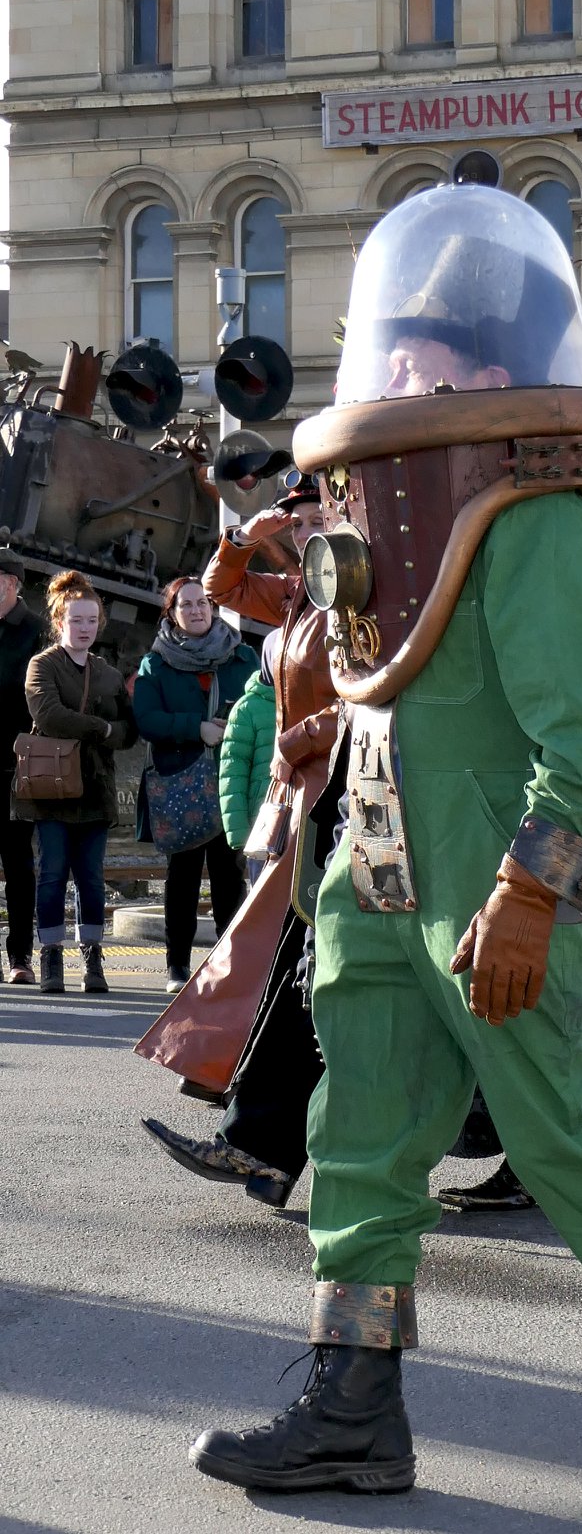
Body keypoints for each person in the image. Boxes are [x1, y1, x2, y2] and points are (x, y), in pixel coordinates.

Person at [189, 184, 582, 1498]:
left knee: (551, 1132)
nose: (393, 376)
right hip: (381, 867)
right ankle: (353, 1402)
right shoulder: (397, 518)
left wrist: (532, 892)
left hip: (489, 882)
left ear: (484, 373)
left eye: (419, 355)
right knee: (359, 1126)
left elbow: (581, 745)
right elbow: (382, 687)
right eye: (389, 348)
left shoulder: (540, 512)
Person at [137, 477, 338, 1206]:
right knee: (287, 964)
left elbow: (380, 694)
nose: (309, 530)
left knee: (291, 963)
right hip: (304, 797)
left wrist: (301, 738)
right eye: (300, 520)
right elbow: (220, 587)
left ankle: (255, 1129)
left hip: (341, 795)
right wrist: (246, 534)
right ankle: (258, 1136)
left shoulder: (359, 590)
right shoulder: (299, 592)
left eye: (320, 515)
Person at [133, 576, 256, 992]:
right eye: (186, 604)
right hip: (180, 784)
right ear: (171, 614)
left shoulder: (242, 656)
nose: (197, 610)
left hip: (230, 780)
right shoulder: (156, 663)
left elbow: (264, 706)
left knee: (229, 877)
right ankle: (177, 967)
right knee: (181, 877)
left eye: (203, 602)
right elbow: (146, 719)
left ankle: (230, 964)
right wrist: (196, 728)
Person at [18, 570, 137, 994]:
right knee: (51, 873)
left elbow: (129, 730)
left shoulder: (108, 673)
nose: (84, 628)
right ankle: (51, 955)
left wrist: (106, 731)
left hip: (96, 789)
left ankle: (92, 956)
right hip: (52, 788)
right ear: (59, 622)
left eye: (91, 620)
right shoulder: (42, 665)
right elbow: (49, 715)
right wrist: (102, 729)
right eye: (75, 620)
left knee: (91, 877)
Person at [0, 554, 44, 985]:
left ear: (12, 583)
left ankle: (20, 957)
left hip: (17, 766)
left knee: (18, 864)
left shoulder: (35, 631)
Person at [219, 630, 280, 883]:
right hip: (261, 826)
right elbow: (232, 776)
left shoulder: (310, 703)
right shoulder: (247, 709)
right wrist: (240, 837)